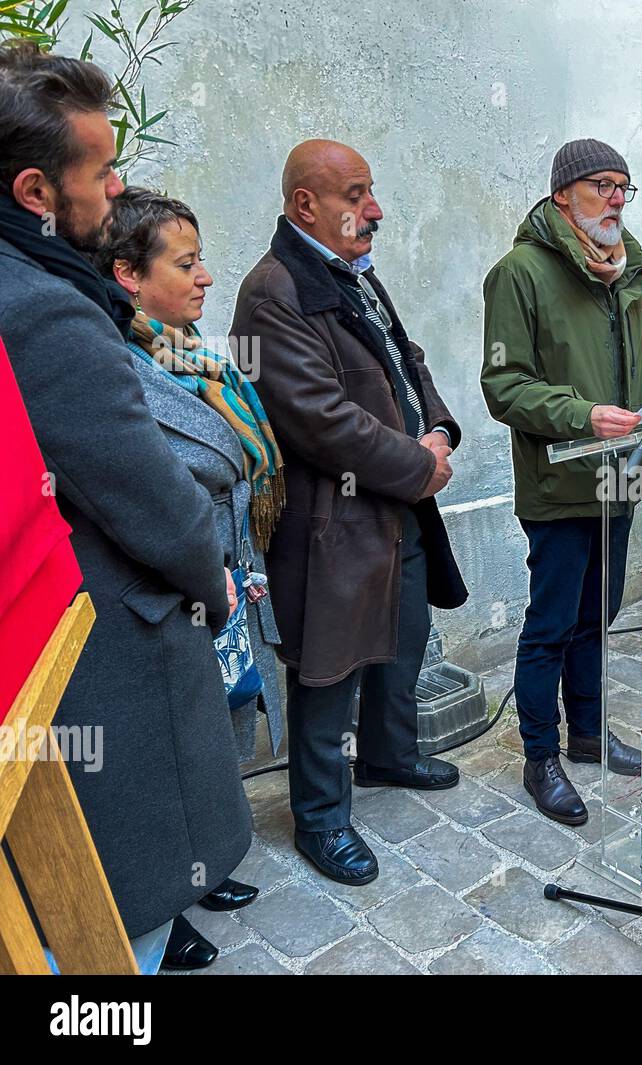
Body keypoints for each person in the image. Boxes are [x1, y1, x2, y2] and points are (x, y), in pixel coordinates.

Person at [0, 43, 250, 968]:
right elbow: (154, 501)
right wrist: (213, 584)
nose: (114, 190)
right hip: (106, 650)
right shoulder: (46, 312)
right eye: (100, 172)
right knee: (113, 938)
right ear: (36, 190)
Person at [231, 140, 467, 887]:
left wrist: (438, 428)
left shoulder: (349, 268)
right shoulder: (272, 291)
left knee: (405, 633)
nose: (375, 210)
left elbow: (408, 358)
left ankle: (392, 756)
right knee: (327, 670)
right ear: (306, 205)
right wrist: (419, 466)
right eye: (357, 194)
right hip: (334, 520)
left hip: (394, 505)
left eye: (371, 192)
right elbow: (319, 420)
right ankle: (321, 819)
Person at [481, 138, 642, 825]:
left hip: (623, 479)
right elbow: (502, 385)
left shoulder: (627, 274)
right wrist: (580, 414)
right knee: (551, 626)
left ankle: (587, 734)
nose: (617, 197)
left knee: (599, 615)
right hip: (562, 481)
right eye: (602, 184)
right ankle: (541, 755)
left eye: (624, 185)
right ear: (564, 193)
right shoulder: (520, 274)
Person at [96, 187, 287, 967]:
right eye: (186, 262)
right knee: (172, 749)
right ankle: (164, 906)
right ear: (127, 276)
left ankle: (202, 868)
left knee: (220, 725)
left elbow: (240, 460)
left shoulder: (192, 347)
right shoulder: (116, 365)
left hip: (226, 570)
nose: (206, 277)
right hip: (172, 587)